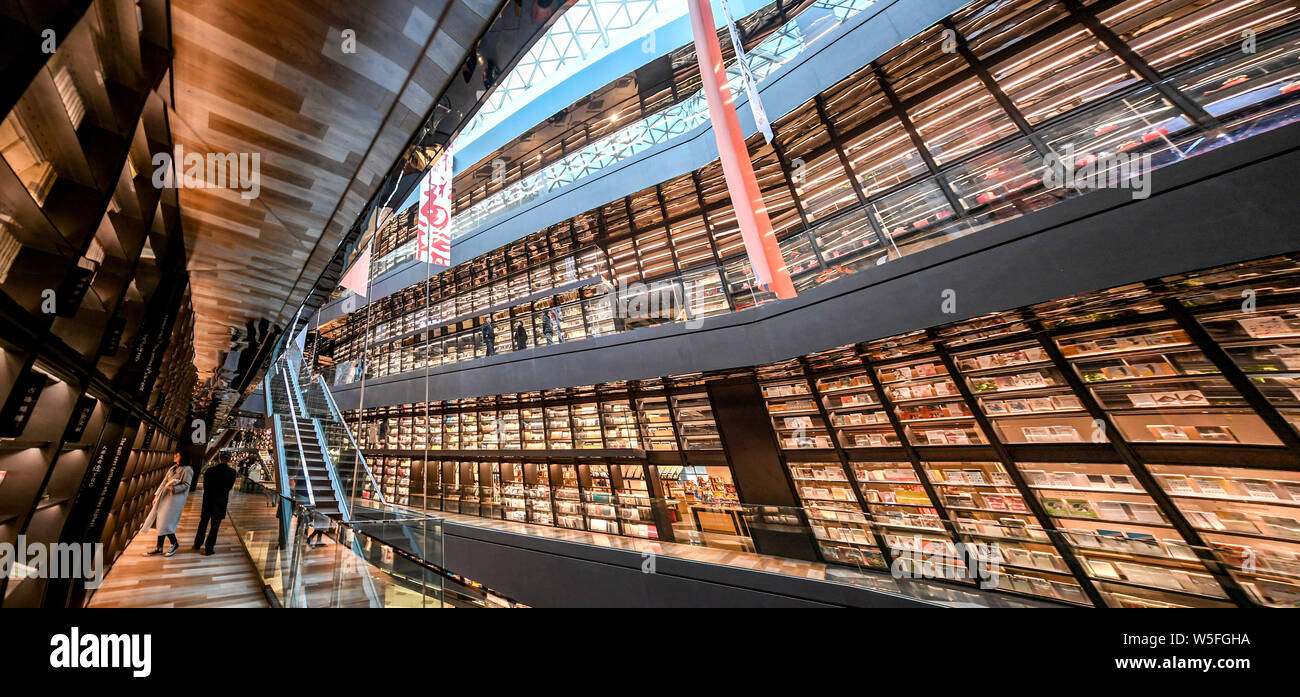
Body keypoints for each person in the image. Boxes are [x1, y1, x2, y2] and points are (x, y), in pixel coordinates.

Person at [140, 454, 192, 557]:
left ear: (182, 457)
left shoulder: (188, 469)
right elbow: (164, 482)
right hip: (163, 497)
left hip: (174, 500)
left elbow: (186, 485)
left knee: (165, 522)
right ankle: (159, 547)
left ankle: (174, 543)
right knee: (160, 522)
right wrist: (156, 495)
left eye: (177, 455)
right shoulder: (173, 468)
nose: (174, 456)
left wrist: (173, 488)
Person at [193, 454, 237, 555]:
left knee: (203, 523)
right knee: (215, 526)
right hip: (221, 501)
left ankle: (197, 544)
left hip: (208, 500)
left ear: (219, 459)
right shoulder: (232, 472)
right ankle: (209, 548)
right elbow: (229, 487)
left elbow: (205, 485)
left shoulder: (210, 470)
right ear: (229, 460)